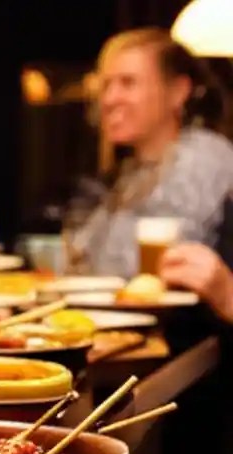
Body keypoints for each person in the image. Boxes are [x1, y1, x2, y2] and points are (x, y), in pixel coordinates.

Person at [71, 27, 233, 295]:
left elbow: (143, 275)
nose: (110, 99)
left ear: (179, 92)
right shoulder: (134, 171)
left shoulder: (202, 156)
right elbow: (84, 262)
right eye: (106, 85)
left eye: (128, 83)